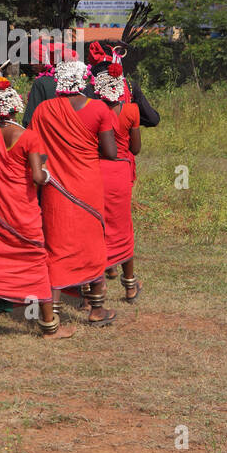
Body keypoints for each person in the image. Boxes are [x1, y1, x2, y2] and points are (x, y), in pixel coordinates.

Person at [0, 78, 74, 340]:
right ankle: (49, 327)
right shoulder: (29, 137)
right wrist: (47, 174)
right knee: (37, 263)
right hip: (24, 213)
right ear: (16, 107)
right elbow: (37, 178)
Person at [28, 58, 118, 325]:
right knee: (92, 244)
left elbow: (34, 147)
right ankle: (97, 308)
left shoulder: (43, 110)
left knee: (57, 246)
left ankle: (51, 311)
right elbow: (111, 153)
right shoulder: (99, 109)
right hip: (88, 186)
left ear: (59, 81)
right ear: (84, 80)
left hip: (55, 187)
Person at [92, 61, 142, 304]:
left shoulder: (93, 110)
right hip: (121, 172)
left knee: (98, 227)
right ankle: (130, 285)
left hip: (97, 171)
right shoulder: (131, 111)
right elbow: (136, 148)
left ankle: (97, 283)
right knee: (123, 227)